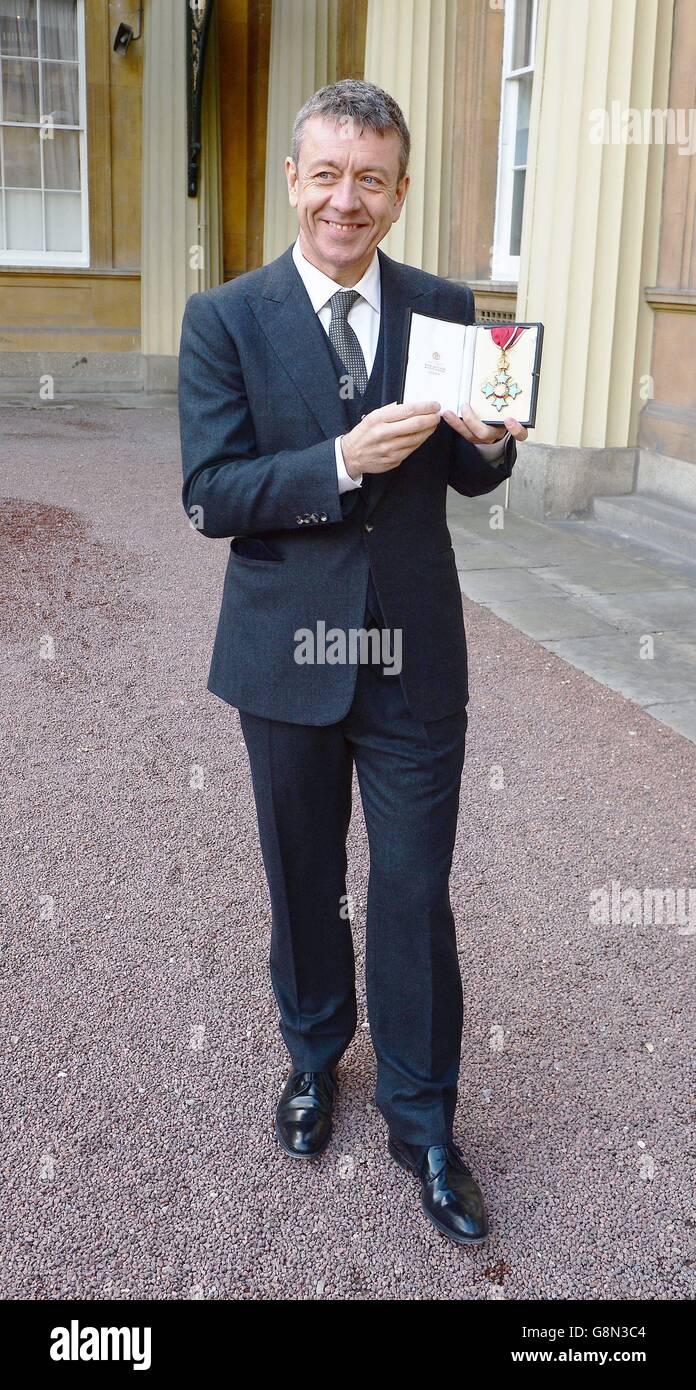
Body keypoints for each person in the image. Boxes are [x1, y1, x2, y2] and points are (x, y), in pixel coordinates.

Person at [178, 79, 527, 1246]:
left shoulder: (444, 305)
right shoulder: (224, 317)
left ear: (398, 188)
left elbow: (471, 476)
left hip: (412, 652)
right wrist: (331, 458)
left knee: (413, 891)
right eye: (326, 174)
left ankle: (425, 1123)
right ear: (293, 179)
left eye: (370, 178)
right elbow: (210, 493)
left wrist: (490, 443)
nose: (347, 199)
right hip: (283, 651)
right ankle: (317, 1060)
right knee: (303, 876)